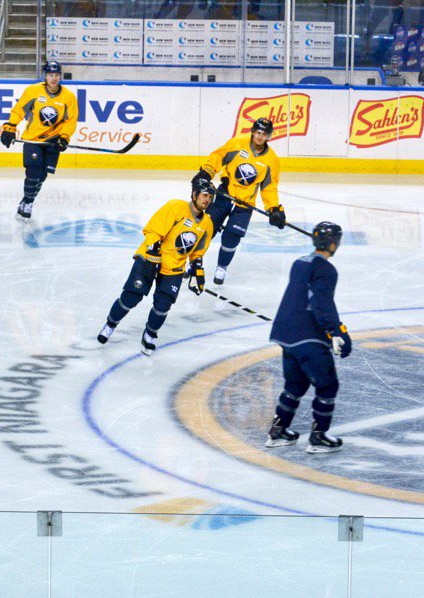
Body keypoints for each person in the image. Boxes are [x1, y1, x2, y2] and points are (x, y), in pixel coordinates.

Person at [97, 178, 216, 355]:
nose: (207, 199)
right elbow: (152, 231)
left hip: (173, 268)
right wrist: (153, 254)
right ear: (194, 194)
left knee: (163, 305)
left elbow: (197, 253)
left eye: (210, 197)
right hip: (150, 258)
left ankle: (150, 334)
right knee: (131, 296)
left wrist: (197, 271)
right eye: (204, 195)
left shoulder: (207, 224)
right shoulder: (176, 207)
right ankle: (110, 324)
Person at [265, 221, 352, 453]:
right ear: (333, 244)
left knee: (295, 384)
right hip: (307, 336)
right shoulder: (327, 270)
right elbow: (321, 303)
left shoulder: (299, 263)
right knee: (328, 385)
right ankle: (318, 437)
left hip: (286, 334)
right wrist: (337, 331)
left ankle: (278, 431)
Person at [191, 117, 285, 286]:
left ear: (268, 136)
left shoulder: (272, 160)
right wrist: (206, 172)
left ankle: (222, 267)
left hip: (246, 203)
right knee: (207, 228)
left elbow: (269, 187)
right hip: (225, 193)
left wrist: (274, 208)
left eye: (264, 134)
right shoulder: (237, 144)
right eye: (258, 132)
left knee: (232, 236)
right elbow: (218, 157)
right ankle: (193, 262)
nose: (260, 136)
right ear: (253, 132)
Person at [0, 60, 78, 221]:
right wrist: (10, 127)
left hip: (52, 141)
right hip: (33, 139)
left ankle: (26, 201)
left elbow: (70, 121)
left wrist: (64, 137)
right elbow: (19, 110)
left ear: (60, 76)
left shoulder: (68, 97)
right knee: (33, 172)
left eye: (56, 75)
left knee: (42, 176)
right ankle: (28, 203)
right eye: (50, 75)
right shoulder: (33, 91)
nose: (53, 78)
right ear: (45, 76)